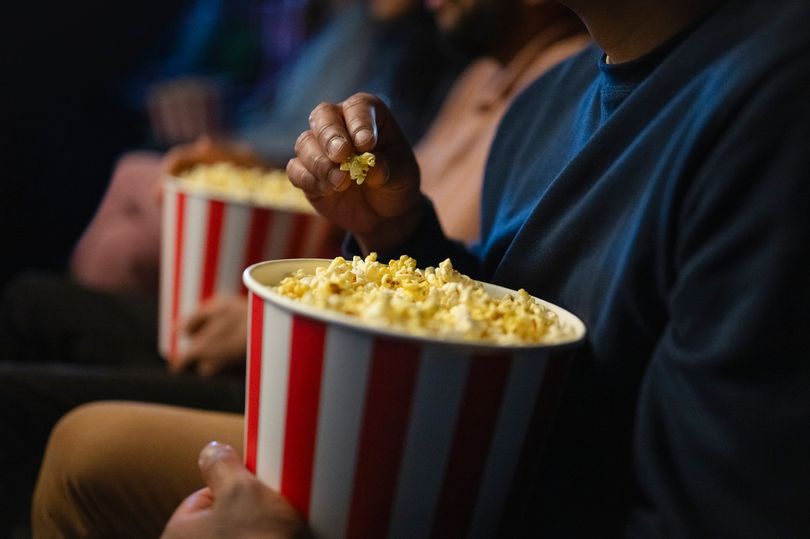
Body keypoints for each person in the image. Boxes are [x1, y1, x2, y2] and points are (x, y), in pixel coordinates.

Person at [155, 0, 810, 536]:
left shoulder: (774, 100)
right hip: (438, 477)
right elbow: (511, 354)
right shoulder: (543, 106)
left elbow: (710, 515)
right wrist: (395, 232)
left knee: (83, 452)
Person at [30, 1, 593, 537]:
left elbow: (477, 319)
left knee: (78, 441)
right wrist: (385, 226)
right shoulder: (495, 84)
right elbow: (436, 268)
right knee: (39, 300)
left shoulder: (563, 94)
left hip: (378, 396)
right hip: (354, 344)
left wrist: (277, 324)